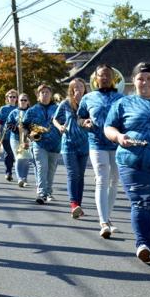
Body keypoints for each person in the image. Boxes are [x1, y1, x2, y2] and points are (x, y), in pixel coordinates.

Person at [105, 63, 150, 262]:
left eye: (149, 78)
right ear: (134, 81)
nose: (144, 82)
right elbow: (108, 127)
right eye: (140, 78)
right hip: (133, 160)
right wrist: (119, 137)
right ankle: (142, 243)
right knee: (142, 201)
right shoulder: (123, 104)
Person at [82, 65, 122, 237]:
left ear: (113, 77)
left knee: (114, 181)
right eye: (100, 75)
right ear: (95, 78)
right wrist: (84, 123)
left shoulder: (121, 98)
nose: (104, 78)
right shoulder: (88, 98)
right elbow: (80, 117)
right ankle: (103, 221)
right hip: (96, 143)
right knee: (101, 179)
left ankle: (108, 216)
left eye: (107, 75)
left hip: (116, 143)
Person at [54, 78, 90, 219]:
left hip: (84, 144)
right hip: (68, 143)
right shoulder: (65, 104)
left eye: (80, 86)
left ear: (84, 88)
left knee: (80, 176)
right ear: (71, 89)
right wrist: (60, 127)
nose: (78, 89)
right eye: (75, 87)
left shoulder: (88, 103)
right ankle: (73, 204)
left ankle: (78, 206)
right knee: (72, 174)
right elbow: (55, 119)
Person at [22, 84, 62, 205]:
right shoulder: (32, 110)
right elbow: (24, 125)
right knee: (41, 167)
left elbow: (64, 122)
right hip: (39, 143)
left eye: (47, 92)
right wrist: (28, 136)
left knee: (51, 170)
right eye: (42, 92)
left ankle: (48, 192)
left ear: (51, 94)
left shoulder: (58, 108)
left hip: (56, 143)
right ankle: (41, 193)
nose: (44, 94)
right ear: (38, 95)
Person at [0, 90, 19, 181]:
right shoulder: (3, 109)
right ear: (7, 98)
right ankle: (8, 172)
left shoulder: (19, 108)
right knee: (8, 153)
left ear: (16, 98)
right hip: (6, 135)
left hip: (17, 135)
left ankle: (17, 173)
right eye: (10, 97)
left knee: (15, 154)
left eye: (14, 97)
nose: (12, 98)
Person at [10, 94, 33, 187]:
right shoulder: (14, 112)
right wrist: (17, 129)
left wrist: (28, 130)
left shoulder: (31, 112)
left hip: (27, 138)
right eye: (21, 100)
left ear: (28, 101)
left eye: (25, 100)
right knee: (19, 158)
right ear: (18, 101)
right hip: (15, 138)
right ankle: (20, 178)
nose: (23, 102)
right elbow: (9, 124)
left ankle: (25, 178)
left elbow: (35, 123)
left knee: (26, 159)